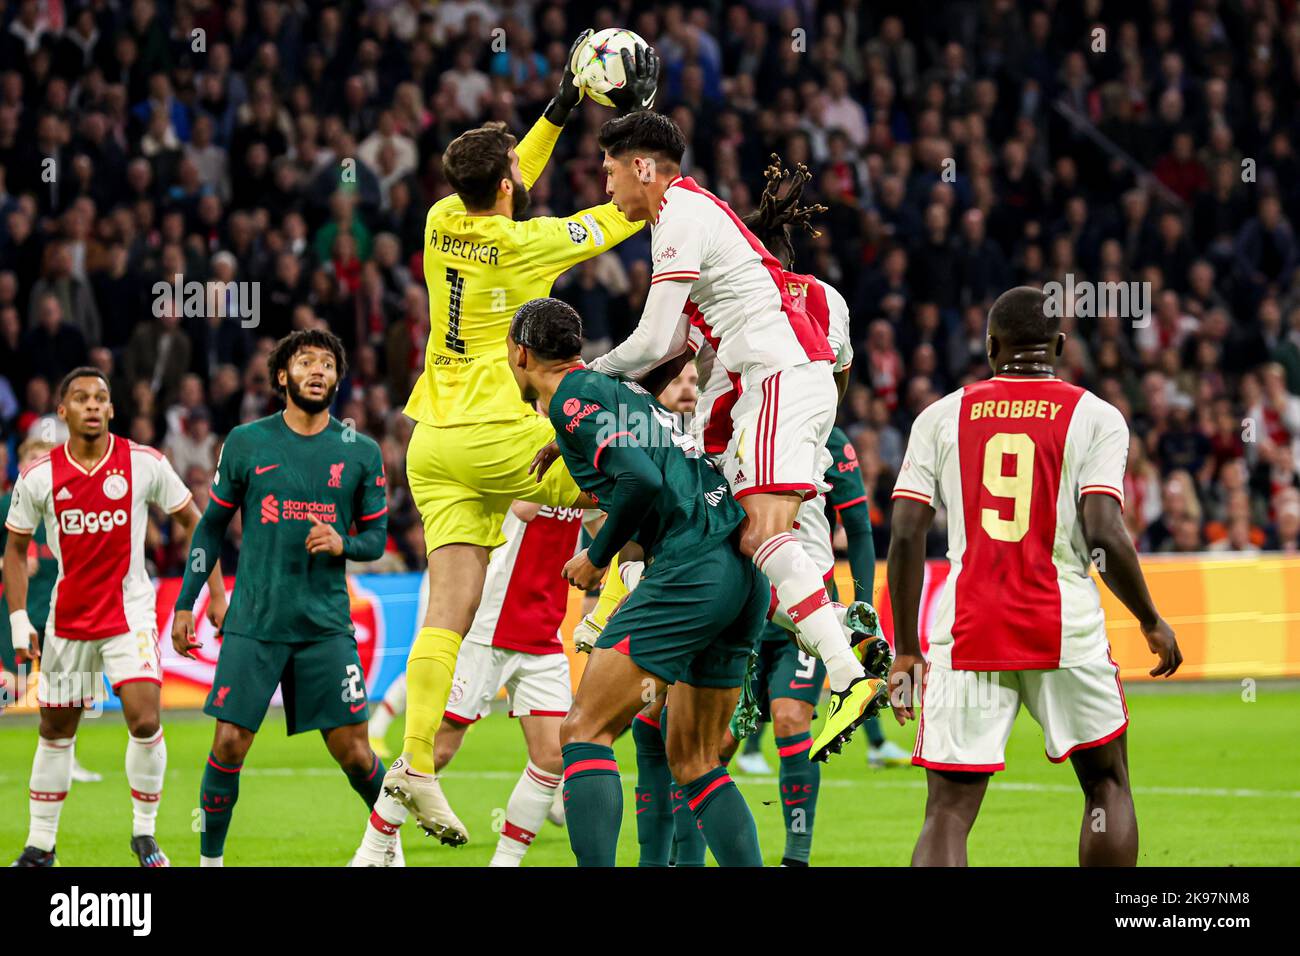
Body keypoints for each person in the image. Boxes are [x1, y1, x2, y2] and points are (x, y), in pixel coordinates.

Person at [387, 36, 660, 837]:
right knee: (636, 489)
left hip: (430, 439)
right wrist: (642, 134)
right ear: (505, 186)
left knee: (448, 611)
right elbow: (620, 217)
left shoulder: (443, 220)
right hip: (496, 431)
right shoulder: (527, 245)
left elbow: (514, 176)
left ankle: (414, 767)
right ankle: (638, 625)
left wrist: (565, 105)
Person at [583, 114, 885, 760]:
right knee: (747, 547)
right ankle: (834, 641)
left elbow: (650, 341)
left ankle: (850, 675)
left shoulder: (682, 214)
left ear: (642, 167)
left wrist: (581, 384)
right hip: (777, 391)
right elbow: (675, 353)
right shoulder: (694, 236)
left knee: (762, 535)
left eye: (609, 172)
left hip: (779, 380)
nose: (606, 190)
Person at [887, 286, 1182, 867]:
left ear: (991, 345)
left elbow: (903, 534)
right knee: (1106, 785)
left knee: (946, 811)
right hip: (1063, 630)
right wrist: (1149, 618)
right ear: (1061, 345)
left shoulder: (940, 416)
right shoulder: (1097, 416)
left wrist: (904, 649)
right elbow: (1104, 530)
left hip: (968, 632)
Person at [510, 296, 769, 867]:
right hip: (742, 563)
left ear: (520, 353)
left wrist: (596, 556)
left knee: (583, 730)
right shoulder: (614, 390)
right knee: (696, 759)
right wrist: (565, 441)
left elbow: (641, 480)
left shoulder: (576, 398)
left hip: (691, 566)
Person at [172, 330, 391, 867]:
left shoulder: (360, 451)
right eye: (305, 362)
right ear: (281, 377)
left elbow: (376, 540)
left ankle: (387, 844)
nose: (318, 371)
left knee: (356, 753)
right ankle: (211, 863)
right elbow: (210, 528)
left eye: (327, 364)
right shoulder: (247, 442)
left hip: (324, 626)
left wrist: (344, 542)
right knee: (228, 745)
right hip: (255, 621)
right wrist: (186, 602)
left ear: (338, 379)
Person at [7, 367, 223, 867]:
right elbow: (15, 549)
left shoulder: (144, 463)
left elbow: (198, 524)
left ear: (111, 409)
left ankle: (144, 835)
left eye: (100, 398)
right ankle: (41, 847)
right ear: (62, 413)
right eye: (80, 398)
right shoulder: (39, 476)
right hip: (69, 621)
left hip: (130, 613)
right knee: (56, 730)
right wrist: (20, 619)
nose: (91, 405)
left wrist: (211, 594)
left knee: (145, 718)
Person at [356, 495, 591, 866]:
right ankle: (371, 852)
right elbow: (524, 507)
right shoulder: (529, 451)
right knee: (438, 749)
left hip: (543, 632)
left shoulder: (581, 462)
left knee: (552, 755)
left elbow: (600, 521)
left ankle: (505, 862)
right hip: (486, 624)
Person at [1, 438, 102, 783]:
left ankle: (68, 762)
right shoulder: (6, 506)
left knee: (70, 691)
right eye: (31, 459)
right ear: (19, 465)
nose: (38, 466)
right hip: (19, 611)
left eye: (44, 459)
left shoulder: (68, 505)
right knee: (11, 687)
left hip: (61, 610)